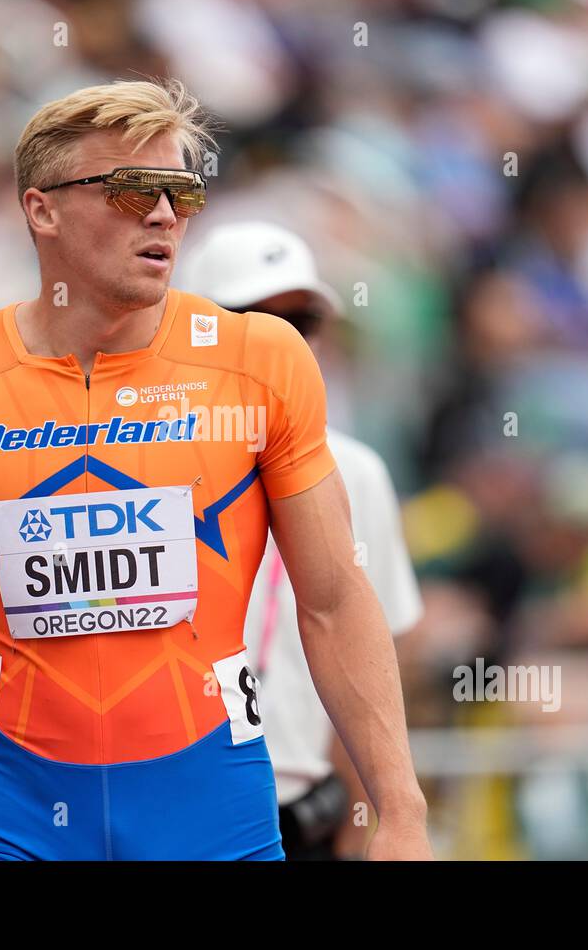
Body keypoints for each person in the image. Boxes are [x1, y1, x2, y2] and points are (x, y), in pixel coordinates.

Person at [0, 79, 432, 861]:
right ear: (41, 210)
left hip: (213, 812)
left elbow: (336, 602)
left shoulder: (260, 360)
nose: (164, 215)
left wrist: (400, 811)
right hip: (24, 815)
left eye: (182, 192)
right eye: (134, 190)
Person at [182, 222, 425, 859]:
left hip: (305, 814)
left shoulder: (358, 473)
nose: (283, 341)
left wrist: (369, 809)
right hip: (173, 805)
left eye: (302, 320)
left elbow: (377, 657)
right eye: (254, 318)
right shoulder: (137, 464)